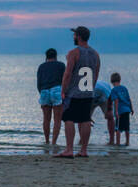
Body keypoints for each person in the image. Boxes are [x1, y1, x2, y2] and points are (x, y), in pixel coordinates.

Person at [55, 26, 100, 158]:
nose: (73, 37)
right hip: (88, 92)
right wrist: (91, 88)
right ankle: (84, 150)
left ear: (78, 36)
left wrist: (63, 90)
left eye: (74, 35)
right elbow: (95, 75)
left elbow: (67, 73)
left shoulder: (74, 53)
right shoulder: (96, 54)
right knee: (85, 119)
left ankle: (69, 149)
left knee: (68, 118)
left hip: (74, 92)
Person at [36, 48, 65, 144]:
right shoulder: (61, 65)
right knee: (57, 120)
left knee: (46, 119)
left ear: (46, 57)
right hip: (57, 90)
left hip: (44, 91)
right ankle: (54, 142)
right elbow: (64, 80)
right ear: (56, 56)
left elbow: (39, 83)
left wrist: (41, 93)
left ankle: (47, 140)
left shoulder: (41, 67)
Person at [108, 73, 133, 146]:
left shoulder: (114, 90)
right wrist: (132, 108)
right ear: (119, 80)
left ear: (112, 81)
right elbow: (129, 99)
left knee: (118, 128)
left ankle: (117, 143)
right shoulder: (124, 88)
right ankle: (127, 142)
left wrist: (116, 111)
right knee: (126, 127)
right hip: (127, 110)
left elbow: (116, 100)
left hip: (120, 111)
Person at [93, 77, 115, 144]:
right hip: (92, 96)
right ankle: (82, 140)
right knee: (83, 119)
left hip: (104, 97)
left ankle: (111, 140)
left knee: (110, 117)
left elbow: (110, 97)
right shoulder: (88, 88)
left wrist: (109, 110)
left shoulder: (105, 89)